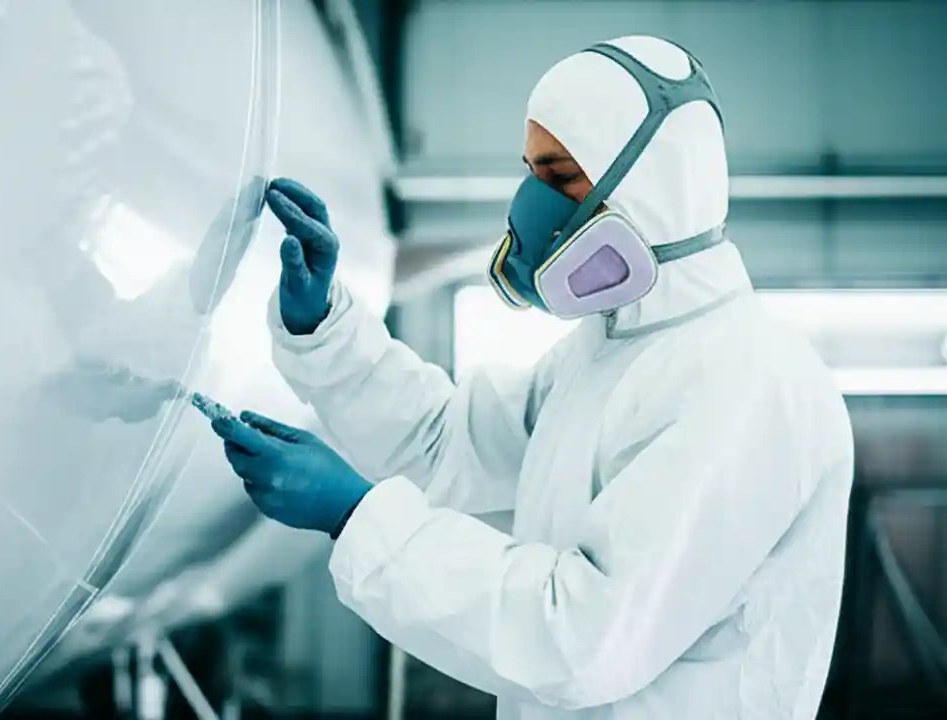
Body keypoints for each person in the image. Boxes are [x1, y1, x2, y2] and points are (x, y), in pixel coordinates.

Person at [209, 35, 854, 718]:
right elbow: (446, 444)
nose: (531, 205)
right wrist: (325, 327)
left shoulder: (745, 383)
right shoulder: (604, 355)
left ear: (650, 188)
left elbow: (582, 639)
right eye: (531, 174)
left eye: (560, 177)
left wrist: (354, 516)